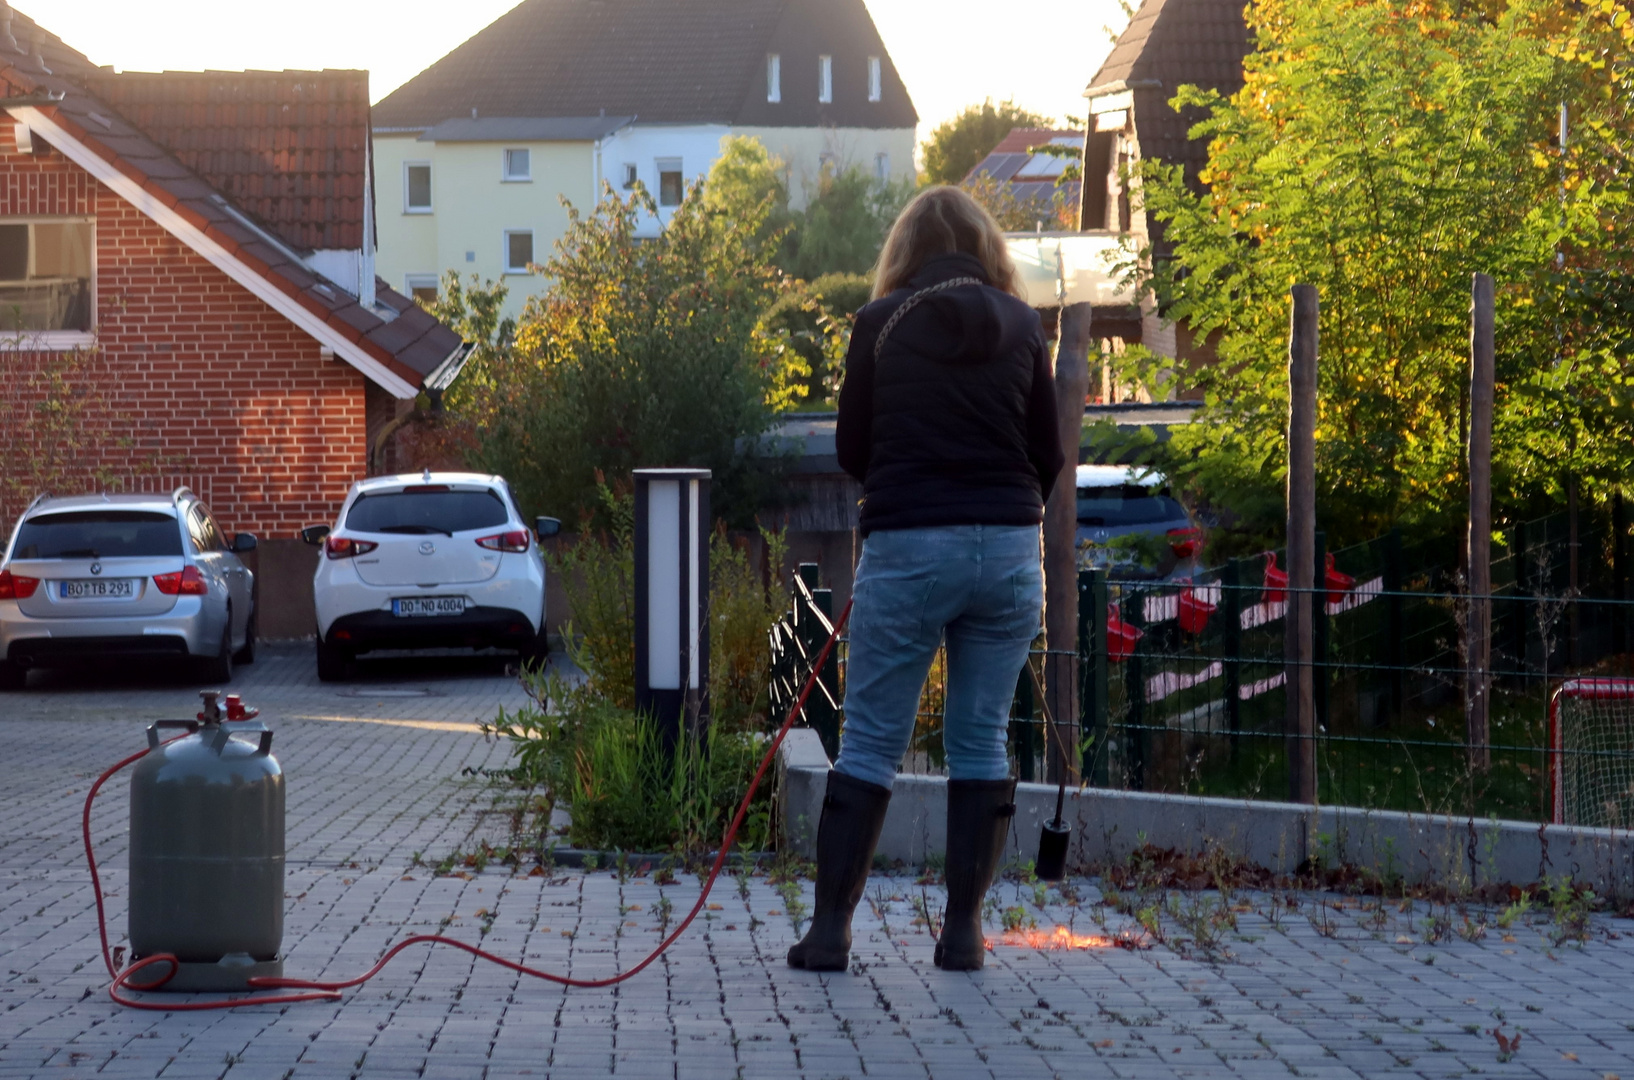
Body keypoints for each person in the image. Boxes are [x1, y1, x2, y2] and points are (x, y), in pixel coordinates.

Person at [786, 186, 1065, 973]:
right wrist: (1001, 520)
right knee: (981, 738)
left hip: (909, 545)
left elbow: (851, 449)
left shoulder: (880, 325)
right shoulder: (1022, 324)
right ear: (986, 249)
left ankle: (831, 934)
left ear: (904, 252)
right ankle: (964, 935)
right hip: (1010, 551)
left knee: (873, 740)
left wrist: (914, 490)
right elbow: (1048, 453)